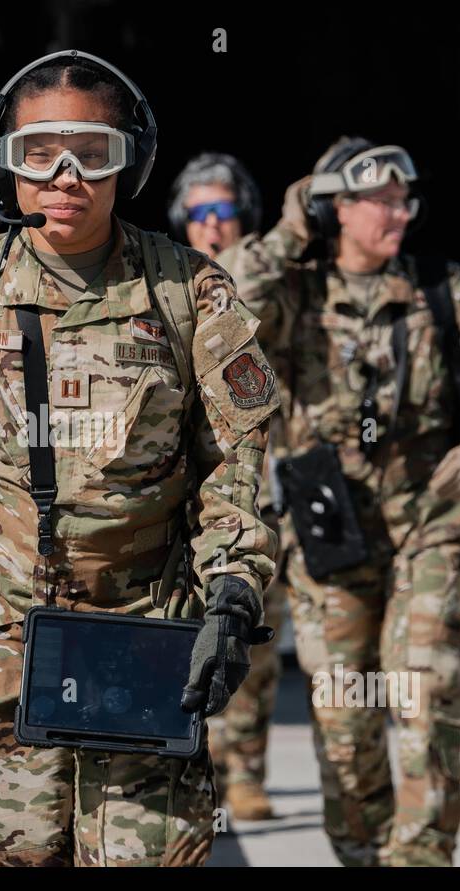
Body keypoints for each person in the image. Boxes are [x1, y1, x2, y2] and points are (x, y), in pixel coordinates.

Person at [0, 50, 280, 867]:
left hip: (146, 651)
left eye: (92, 151)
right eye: (39, 153)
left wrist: (232, 596)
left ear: (129, 163)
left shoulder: (191, 293)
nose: (65, 176)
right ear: (9, 164)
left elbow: (235, 468)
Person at [222, 137, 460, 865]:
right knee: (344, 716)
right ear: (340, 209)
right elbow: (224, 310)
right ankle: (363, 854)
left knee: (426, 693)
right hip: (330, 532)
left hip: (429, 521)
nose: (401, 213)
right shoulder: (295, 292)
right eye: (383, 201)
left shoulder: (446, 289)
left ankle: (422, 857)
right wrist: (290, 228)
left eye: (407, 200)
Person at [169, 153, 280, 821]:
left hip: (255, 486)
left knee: (254, 640)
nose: (213, 226)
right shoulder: (164, 284)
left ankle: (248, 769)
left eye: (224, 211)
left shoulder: (262, 278)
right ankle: (190, 756)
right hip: (182, 490)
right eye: (201, 214)